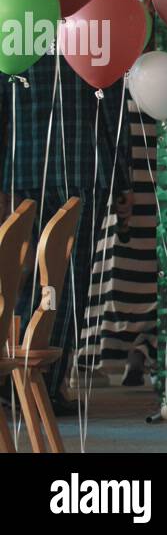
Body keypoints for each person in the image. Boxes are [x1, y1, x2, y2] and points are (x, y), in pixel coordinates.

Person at [0, 52, 133, 415]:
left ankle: (12, 373)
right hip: (82, 170)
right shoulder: (94, 31)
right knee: (65, 283)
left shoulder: (14, 26)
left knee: (17, 280)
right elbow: (114, 114)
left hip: (20, 171)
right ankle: (40, 382)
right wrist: (123, 180)